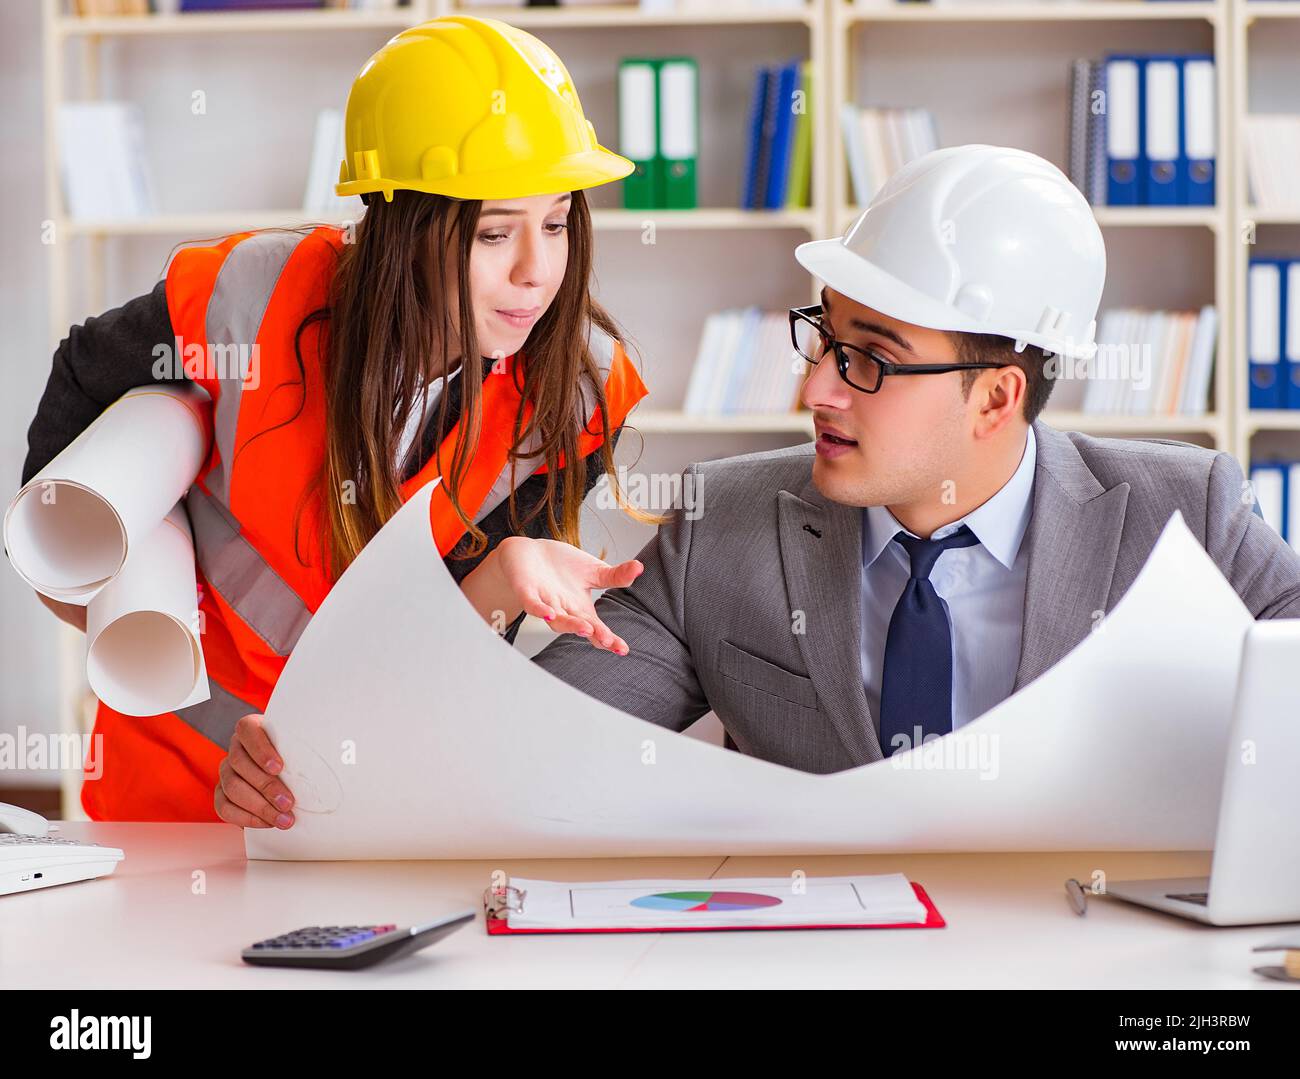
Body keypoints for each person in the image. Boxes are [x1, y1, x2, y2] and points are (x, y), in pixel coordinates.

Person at [20, 16, 650, 824]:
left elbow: (439, 666)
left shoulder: (571, 399)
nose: (537, 272)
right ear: (402, 225)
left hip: (367, 805)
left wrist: (502, 580)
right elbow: (62, 487)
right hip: (169, 797)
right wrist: (138, 643)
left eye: (558, 223)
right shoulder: (250, 300)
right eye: (495, 231)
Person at [533, 144, 1300, 774]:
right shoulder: (722, 525)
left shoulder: (1185, 516)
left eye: (871, 358)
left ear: (997, 399)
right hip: (833, 954)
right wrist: (487, 587)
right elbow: (534, 742)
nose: (816, 387)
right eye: (825, 337)